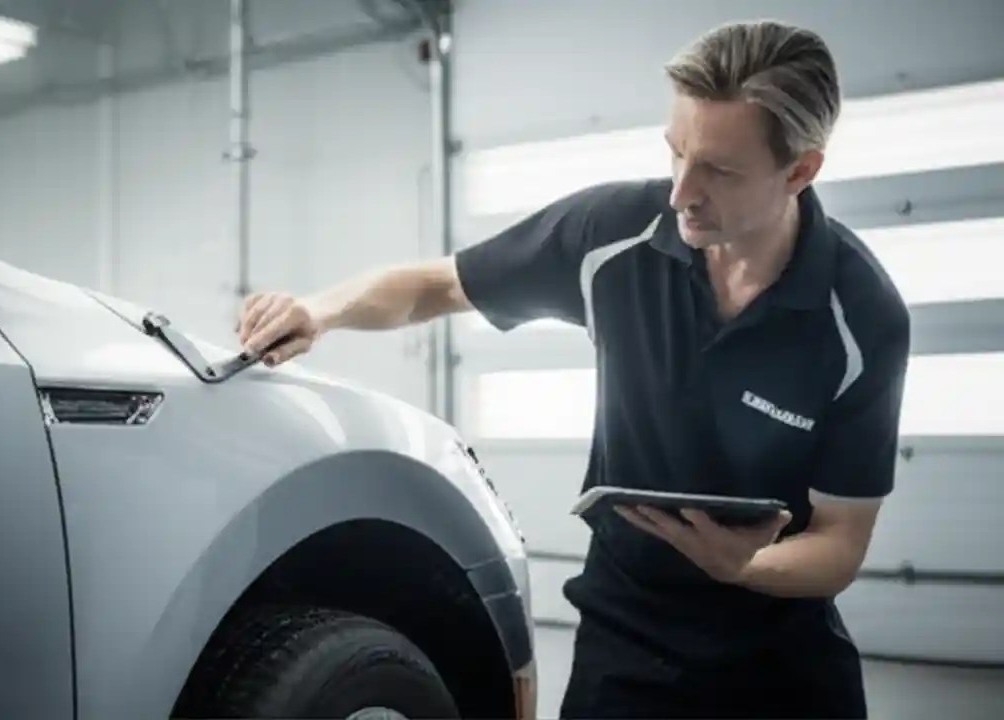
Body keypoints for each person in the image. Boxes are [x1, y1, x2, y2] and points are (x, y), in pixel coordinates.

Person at [234, 19, 910, 719]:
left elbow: (839, 544)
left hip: (784, 660)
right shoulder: (612, 235)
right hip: (629, 641)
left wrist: (743, 567)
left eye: (720, 170)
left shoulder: (862, 320)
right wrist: (320, 309)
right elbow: (435, 285)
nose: (682, 193)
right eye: (677, 154)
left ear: (799, 170)